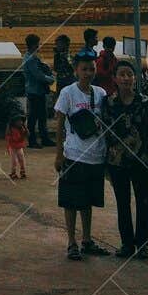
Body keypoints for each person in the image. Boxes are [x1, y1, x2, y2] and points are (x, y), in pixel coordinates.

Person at [55, 50, 110, 259]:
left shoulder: (101, 93)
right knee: (70, 201)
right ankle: (71, 242)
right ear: (76, 70)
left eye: (92, 69)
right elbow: (60, 124)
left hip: (96, 156)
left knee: (88, 201)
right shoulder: (68, 93)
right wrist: (59, 154)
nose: (88, 73)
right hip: (74, 155)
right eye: (84, 69)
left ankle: (86, 240)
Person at [104, 59, 148, 258]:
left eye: (130, 74)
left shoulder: (145, 102)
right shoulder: (108, 103)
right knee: (122, 203)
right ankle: (127, 244)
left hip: (142, 160)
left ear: (135, 78)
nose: (126, 78)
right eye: (122, 74)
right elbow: (105, 134)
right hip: (117, 161)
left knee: (143, 203)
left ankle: (143, 245)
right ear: (115, 79)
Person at [21, 33, 54, 149]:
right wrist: (51, 79)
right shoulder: (31, 59)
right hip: (35, 91)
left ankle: (43, 138)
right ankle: (33, 140)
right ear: (34, 45)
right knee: (34, 117)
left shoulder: (30, 57)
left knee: (40, 116)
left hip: (35, 90)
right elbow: (39, 76)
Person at [51, 34, 74, 106]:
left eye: (58, 44)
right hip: (60, 82)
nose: (56, 46)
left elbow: (72, 68)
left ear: (65, 45)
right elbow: (56, 68)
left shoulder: (68, 56)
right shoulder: (57, 56)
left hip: (68, 82)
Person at [5, 108, 28, 180]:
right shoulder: (11, 129)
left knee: (22, 159)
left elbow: (26, 136)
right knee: (14, 161)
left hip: (19, 147)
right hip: (13, 147)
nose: (20, 122)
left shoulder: (22, 128)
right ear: (13, 122)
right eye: (18, 120)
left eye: (21, 120)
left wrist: (25, 130)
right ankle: (13, 173)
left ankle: (23, 171)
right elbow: (9, 138)